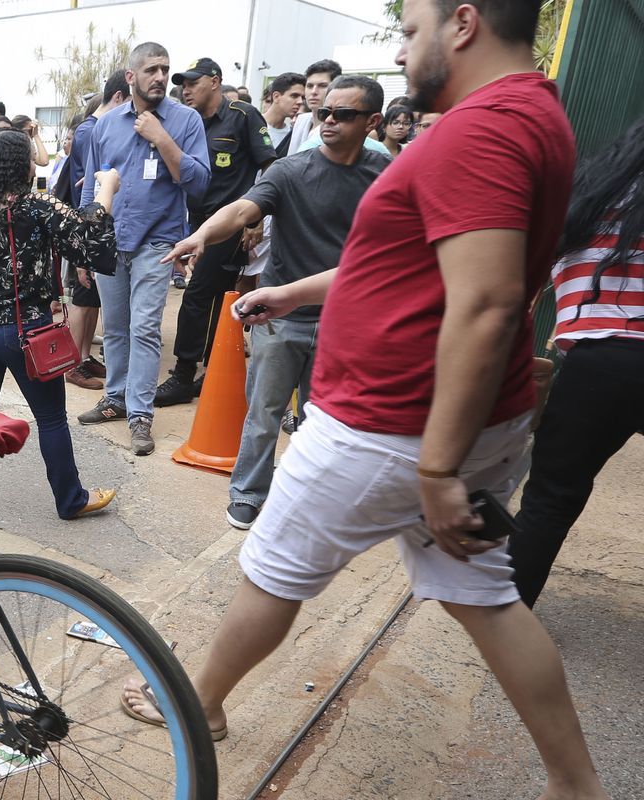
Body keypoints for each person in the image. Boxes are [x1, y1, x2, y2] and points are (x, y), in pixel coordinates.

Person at [124, 3, 609, 797]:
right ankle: (575, 782)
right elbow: (414, 267)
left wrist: (439, 470)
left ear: (463, 22)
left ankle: (198, 705)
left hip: (389, 424)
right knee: (484, 596)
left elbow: (485, 303)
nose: (402, 43)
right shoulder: (531, 111)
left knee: (271, 570)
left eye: (411, 27)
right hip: (449, 422)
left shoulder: (480, 129)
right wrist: (296, 291)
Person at [166, 75, 390, 530]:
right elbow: (241, 210)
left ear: (372, 122)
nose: (328, 120)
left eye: (343, 115)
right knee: (264, 415)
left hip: (346, 322)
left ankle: (310, 499)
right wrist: (200, 235)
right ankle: (248, 493)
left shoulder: (386, 178)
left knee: (323, 423)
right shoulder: (289, 171)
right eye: (323, 111)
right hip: (279, 319)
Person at [0, 129, 120, 522]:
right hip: (25, 331)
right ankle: (70, 499)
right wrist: (106, 191)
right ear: (20, 165)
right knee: (51, 418)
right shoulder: (38, 206)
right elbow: (95, 247)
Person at [510, 118, 644, 607]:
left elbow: (521, 281)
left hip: (598, 363)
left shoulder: (585, 197)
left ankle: (509, 618)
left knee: (551, 496)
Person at [76, 41, 211, 456]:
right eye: (151, 69)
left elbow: (200, 183)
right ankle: (116, 398)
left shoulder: (185, 121)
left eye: (164, 69)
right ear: (131, 77)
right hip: (112, 242)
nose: (160, 77)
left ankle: (140, 413)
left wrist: (161, 138)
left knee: (145, 328)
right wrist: (84, 244)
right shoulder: (106, 124)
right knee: (114, 329)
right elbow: (93, 187)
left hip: (157, 241)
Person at [158, 57, 278, 407]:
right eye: (183, 84)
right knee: (214, 297)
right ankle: (209, 372)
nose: (186, 89)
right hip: (193, 223)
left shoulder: (242, 116)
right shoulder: (188, 122)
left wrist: (257, 218)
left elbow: (270, 168)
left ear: (215, 81)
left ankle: (183, 374)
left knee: (197, 295)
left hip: (229, 223)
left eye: (193, 82)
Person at [61, 77, 130, 392]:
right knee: (82, 296)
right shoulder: (92, 130)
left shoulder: (94, 128)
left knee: (91, 299)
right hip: (88, 224)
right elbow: (90, 181)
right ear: (118, 97)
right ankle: (72, 363)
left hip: (99, 224)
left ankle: (84, 355)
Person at [286, 59, 341, 153]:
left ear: (335, 88)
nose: (314, 92)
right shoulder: (301, 121)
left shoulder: (340, 125)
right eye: (310, 86)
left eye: (322, 85)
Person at [261, 72, 306, 155]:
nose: (300, 101)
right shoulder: (251, 125)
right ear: (276, 97)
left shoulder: (293, 134)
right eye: (294, 96)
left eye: (303, 98)